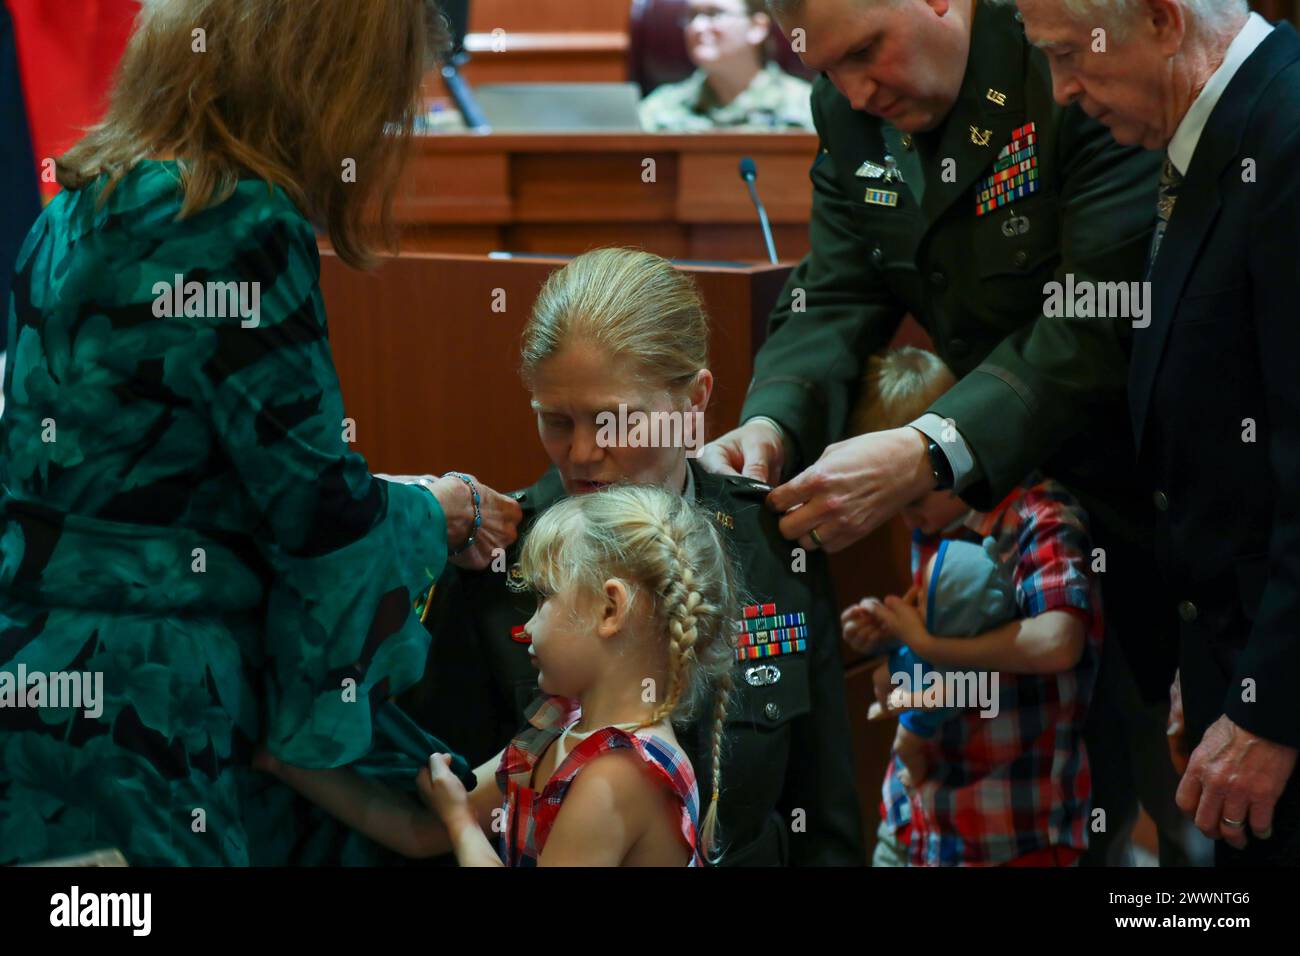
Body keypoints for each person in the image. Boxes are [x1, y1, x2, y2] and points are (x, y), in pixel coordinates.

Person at [0, 0, 522, 866]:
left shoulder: (76, 201)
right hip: (162, 704)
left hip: (37, 678)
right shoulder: (237, 218)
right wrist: (445, 510)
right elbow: (317, 517)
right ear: (324, 77)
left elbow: (168, 483)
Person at [699, 0, 1188, 866]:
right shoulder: (849, 110)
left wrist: (928, 449)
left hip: (1143, 504)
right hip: (983, 519)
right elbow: (840, 289)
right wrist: (771, 419)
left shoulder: (1062, 58)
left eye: (866, 53)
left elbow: (1097, 317)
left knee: (1171, 810)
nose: (853, 91)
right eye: (826, 71)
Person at [405, 248, 865, 865]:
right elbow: (448, 806)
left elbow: (823, 808)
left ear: (694, 402)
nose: (584, 453)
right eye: (557, 420)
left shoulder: (775, 541)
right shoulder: (497, 559)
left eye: (616, 421)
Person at [1011, 0, 1300, 866]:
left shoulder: (1286, 137)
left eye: (1071, 56)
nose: (1062, 93)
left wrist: (1268, 705)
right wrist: (1209, 662)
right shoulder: (1220, 131)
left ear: (1164, 20)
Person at [262, 484, 738, 866]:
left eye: (544, 598)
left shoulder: (619, 776)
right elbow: (421, 832)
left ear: (610, 609)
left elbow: (452, 822)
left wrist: (461, 826)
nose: (528, 626)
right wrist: (285, 761)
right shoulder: (559, 723)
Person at [843, 348, 1102, 866]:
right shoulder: (936, 519)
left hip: (1008, 830)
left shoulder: (1038, 515)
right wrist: (891, 633)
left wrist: (924, 642)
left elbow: (1058, 642)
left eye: (915, 499)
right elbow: (939, 643)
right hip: (914, 821)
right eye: (898, 508)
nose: (912, 522)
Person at [639, 0, 815, 131]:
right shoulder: (659, 109)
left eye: (714, 14)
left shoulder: (805, 107)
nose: (697, 27)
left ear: (756, 27)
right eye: (692, 16)